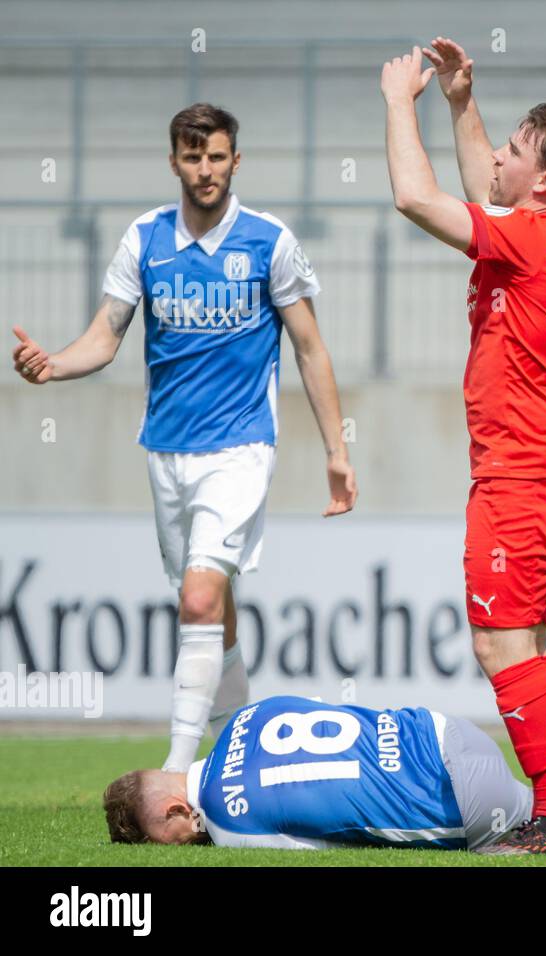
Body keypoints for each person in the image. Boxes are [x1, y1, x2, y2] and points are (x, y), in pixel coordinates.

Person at [10, 103, 357, 774]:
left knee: (197, 599)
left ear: (236, 160)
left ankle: (175, 773)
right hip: (165, 450)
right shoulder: (145, 240)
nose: (206, 169)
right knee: (212, 611)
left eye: (217, 156)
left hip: (239, 446)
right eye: (193, 157)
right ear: (174, 161)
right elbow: (106, 335)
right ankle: (240, 756)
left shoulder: (268, 241)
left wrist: (337, 452)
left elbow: (311, 350)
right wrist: (54, 365)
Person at [380, 37, 546, 853]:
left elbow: (416, 197)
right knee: (523, 645)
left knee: (499, 644)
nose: (498, 158)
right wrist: (462, 102)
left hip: (527, 470)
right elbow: (487, 189)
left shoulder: (531, 239)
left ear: (543, 182)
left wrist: (401, 100)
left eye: (513, 149)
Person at [101, 694, 546, 856]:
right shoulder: (245, 718)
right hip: (446, 730)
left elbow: (330, 845)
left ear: (172, 814)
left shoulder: (228, 827)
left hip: (457, 800)